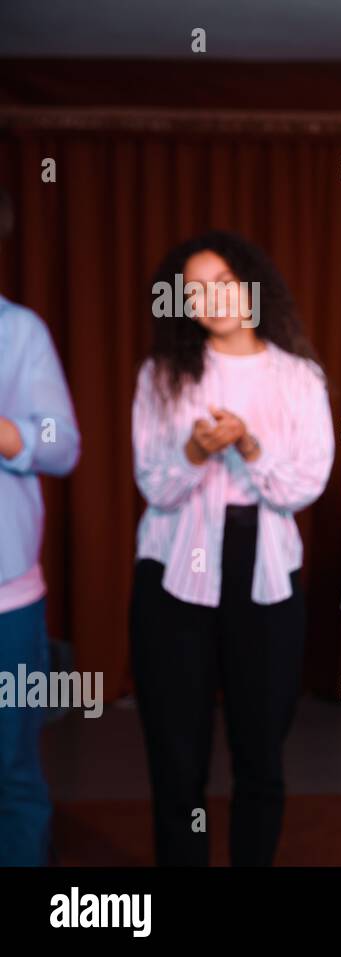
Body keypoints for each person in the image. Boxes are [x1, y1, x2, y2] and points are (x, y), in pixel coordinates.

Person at [129, 231, 334, 865]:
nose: (212, 298)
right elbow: (154, 485)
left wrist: (246, 445)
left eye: (222, 281)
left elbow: (305, 484)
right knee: (176, 761)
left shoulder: (298, 376)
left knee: (261, 757)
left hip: (264, 578)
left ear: (250, 285)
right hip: (173, 578)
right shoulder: (162, 376)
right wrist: (196, 450)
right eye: (195, 289)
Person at [0, 187, 82, 866]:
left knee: (11, 769)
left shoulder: (19, 332)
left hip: (7, 605)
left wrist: (5, 432)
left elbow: (61, 444)